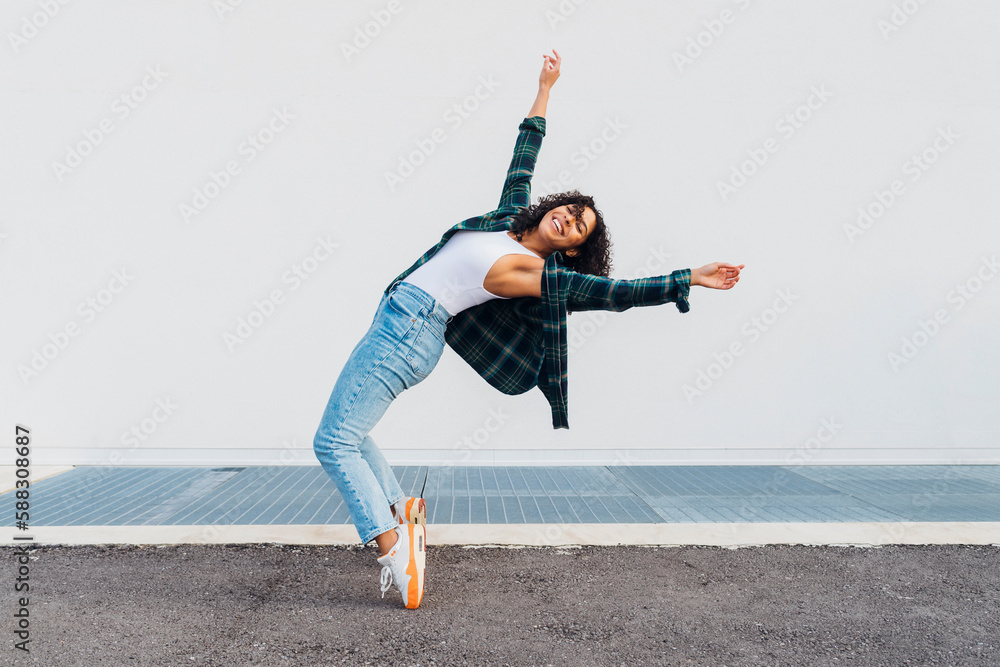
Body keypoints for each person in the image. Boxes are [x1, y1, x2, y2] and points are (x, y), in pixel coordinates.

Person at [312, 49, 745, 609]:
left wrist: (685, 277)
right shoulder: (506, 222)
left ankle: (396, 552)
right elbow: (524, 157)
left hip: (409, 331)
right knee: (349, 430)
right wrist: (545, 87)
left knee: (333, 442)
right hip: (397, 321)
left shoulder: (535, 273)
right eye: (569, 210)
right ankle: (401, 510)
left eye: (577, 228)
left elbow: (614, 293)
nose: (567, 219)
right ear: (552, 208)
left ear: (573, 248)